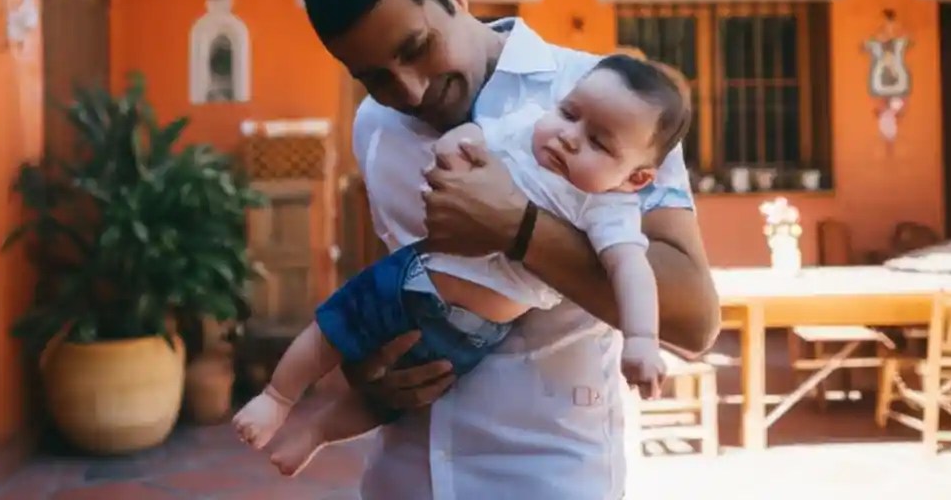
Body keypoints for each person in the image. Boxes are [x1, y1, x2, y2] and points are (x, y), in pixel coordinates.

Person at [266, 0, 720, 500]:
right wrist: (370, 374)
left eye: (416, 48)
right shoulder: (374, 129)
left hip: (548, 475)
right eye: (374, 77)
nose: (408, 91)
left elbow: (693, 318)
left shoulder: (608, 105)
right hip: (407, 476)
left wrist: (519, 228)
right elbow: (404, 288)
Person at [233, 53, 692, 474]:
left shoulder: (606, 208)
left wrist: (642, 339)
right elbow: (477, 132)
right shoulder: (522, 130)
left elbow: (631, 271)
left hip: (470, 330)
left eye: (598, 142)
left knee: (401, 396)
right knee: (331, 330)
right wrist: (459, 144)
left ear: (636, 178)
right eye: (569, 113)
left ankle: (317, 434)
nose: (570, 138)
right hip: (413, 274)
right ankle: (277, 397)